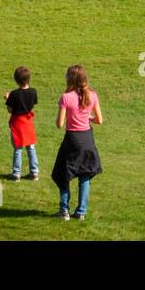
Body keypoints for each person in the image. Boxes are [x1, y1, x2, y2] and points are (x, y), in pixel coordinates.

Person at [50, 64, 103, 220]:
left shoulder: (66, 97)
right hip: (87, 139)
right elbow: (99, 120)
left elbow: (59, 124)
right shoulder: (92, 95)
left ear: (70, 79)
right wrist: (87, 117)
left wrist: (68, 116)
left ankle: (64, 210)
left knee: (63, 174)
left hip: (72, 139)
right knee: (85, 175)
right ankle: (81, 212)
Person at [4, 66, 38, 182]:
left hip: (18, 123)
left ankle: (16, 173)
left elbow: (10, 109)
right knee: (31, 147)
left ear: (16, 80)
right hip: (28, 122)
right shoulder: (33, 92)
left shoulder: (14, 94)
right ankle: (34, 172)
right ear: (29, 79)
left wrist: (7, 98)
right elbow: (33, 104)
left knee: (18, 148)